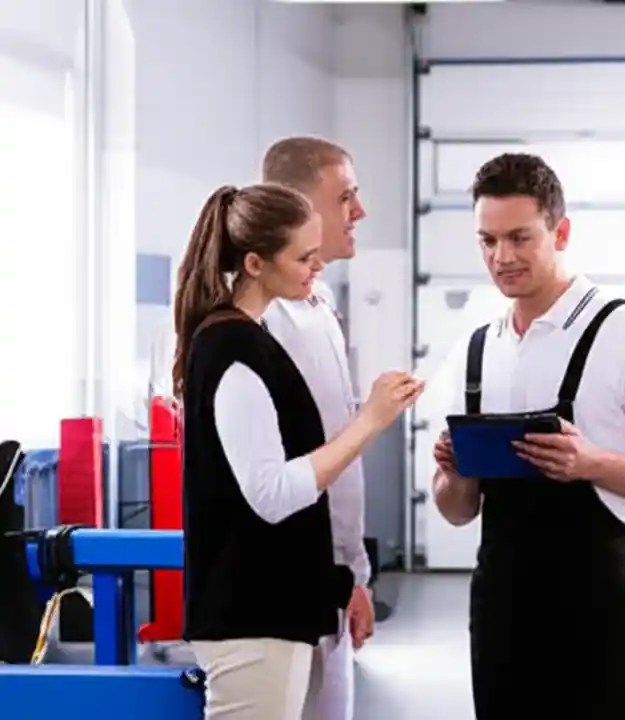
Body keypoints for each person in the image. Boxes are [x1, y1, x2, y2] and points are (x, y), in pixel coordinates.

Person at [430, 153, 625, 720]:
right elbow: (458, 511)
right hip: (504, 604)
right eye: (487, 241)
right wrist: (456, 473)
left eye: (519, 237)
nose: (501, 257)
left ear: (560, 232)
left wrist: (591, 462)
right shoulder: (478, 351)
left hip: (602, 602)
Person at [173, 183, 423, 720]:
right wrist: (370, 421)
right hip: (252, 618)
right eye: (304, 258)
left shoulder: (248, 339)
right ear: (256, 263)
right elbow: (271, 495)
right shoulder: (232, 346)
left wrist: (340, 583)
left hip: (273, 609)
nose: (317, 268)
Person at [258, 136, 372, 720]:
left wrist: (353, 574)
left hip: (328, 579)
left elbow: (339, 466)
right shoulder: (260, 318)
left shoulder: (319, 303)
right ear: (298, 207)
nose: (359, 211)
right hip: (281, 586)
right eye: (345, 197)